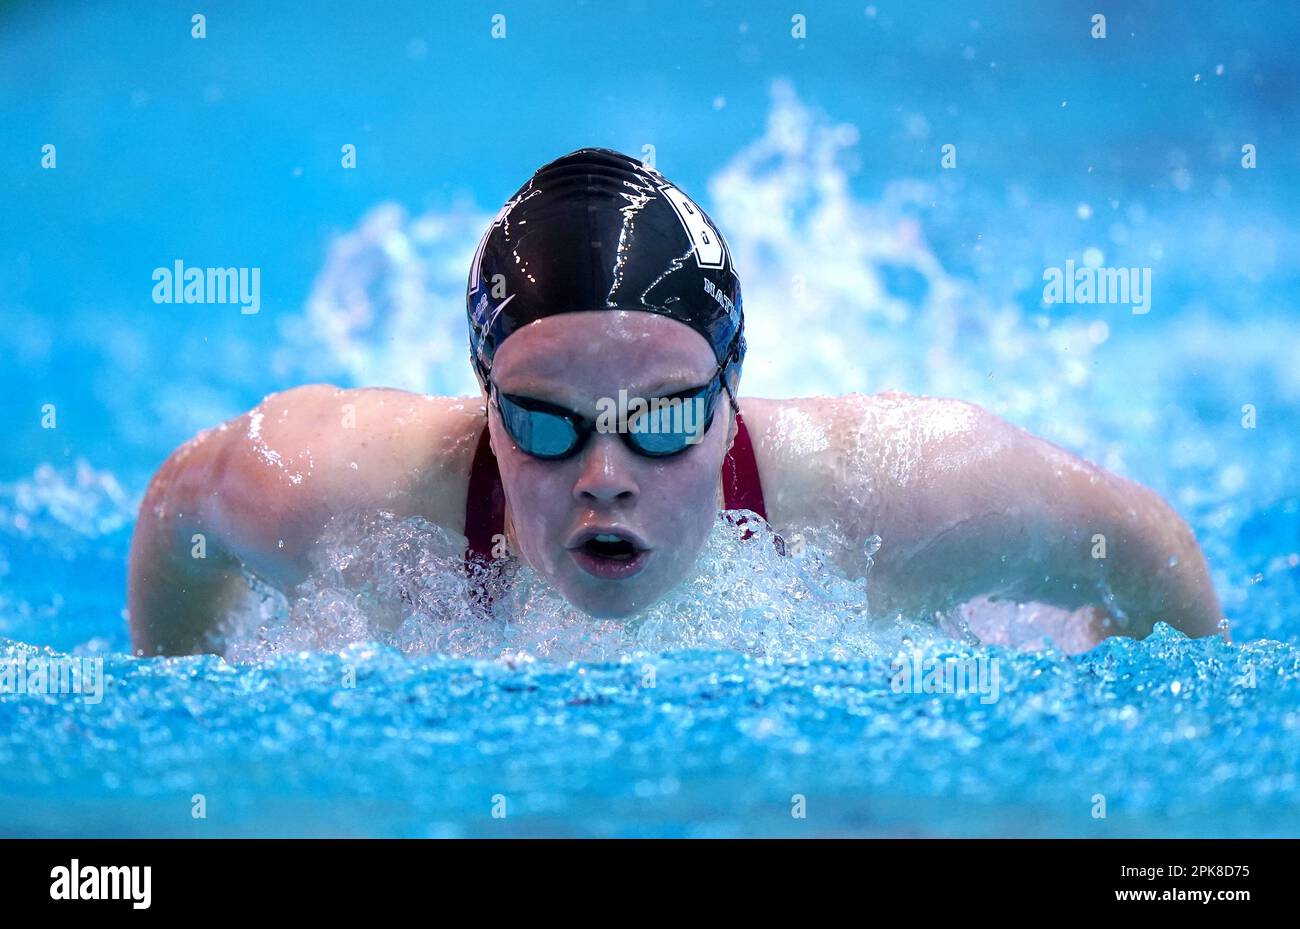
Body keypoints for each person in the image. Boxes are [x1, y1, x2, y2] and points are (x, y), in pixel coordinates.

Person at [127, 147, 1224, 656]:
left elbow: (1137, 540)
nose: (605, 474)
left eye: (661, 418)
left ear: (729, 395)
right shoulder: (338, 488)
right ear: (483, 401)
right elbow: (181, 501)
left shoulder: (905, 491)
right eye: (545, 420)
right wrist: (183, 685)